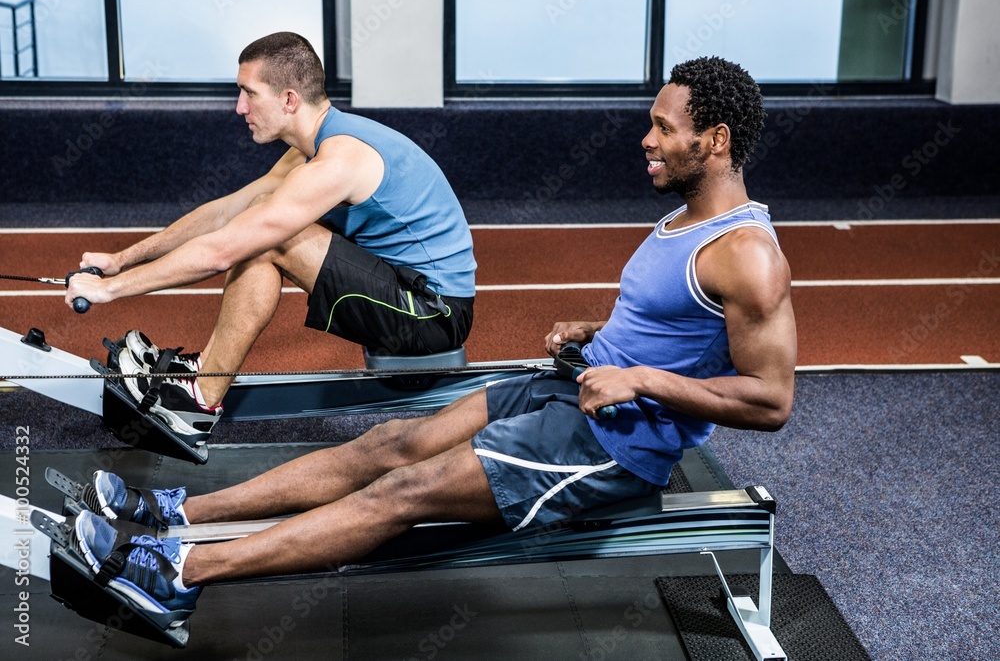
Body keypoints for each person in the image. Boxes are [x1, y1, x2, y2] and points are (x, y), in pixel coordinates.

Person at [71, 56, 797, 621]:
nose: (647, 139)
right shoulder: (684, 221)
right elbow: (676, 327)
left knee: (403, 490)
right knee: (386, 445)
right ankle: (177, 514)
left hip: (614, 442)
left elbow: (771, 400)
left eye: (663, 128)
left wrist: (639, 379)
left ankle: (180, 573)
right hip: (572, 384)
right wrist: (597, 330)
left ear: (716, 140)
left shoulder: (748, 255)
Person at [65, 32, 476, 439]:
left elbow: (222, 252)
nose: (239, 107)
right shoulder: (313, 146)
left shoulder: (338, 160)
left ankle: (199, 401)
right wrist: (122, 259)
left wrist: (111, 290)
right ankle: (205, 373)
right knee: (260, 212)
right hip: (407, 288)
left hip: (433, 314)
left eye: (249, 93)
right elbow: (228, 210)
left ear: (289, 99)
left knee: (269, 238)